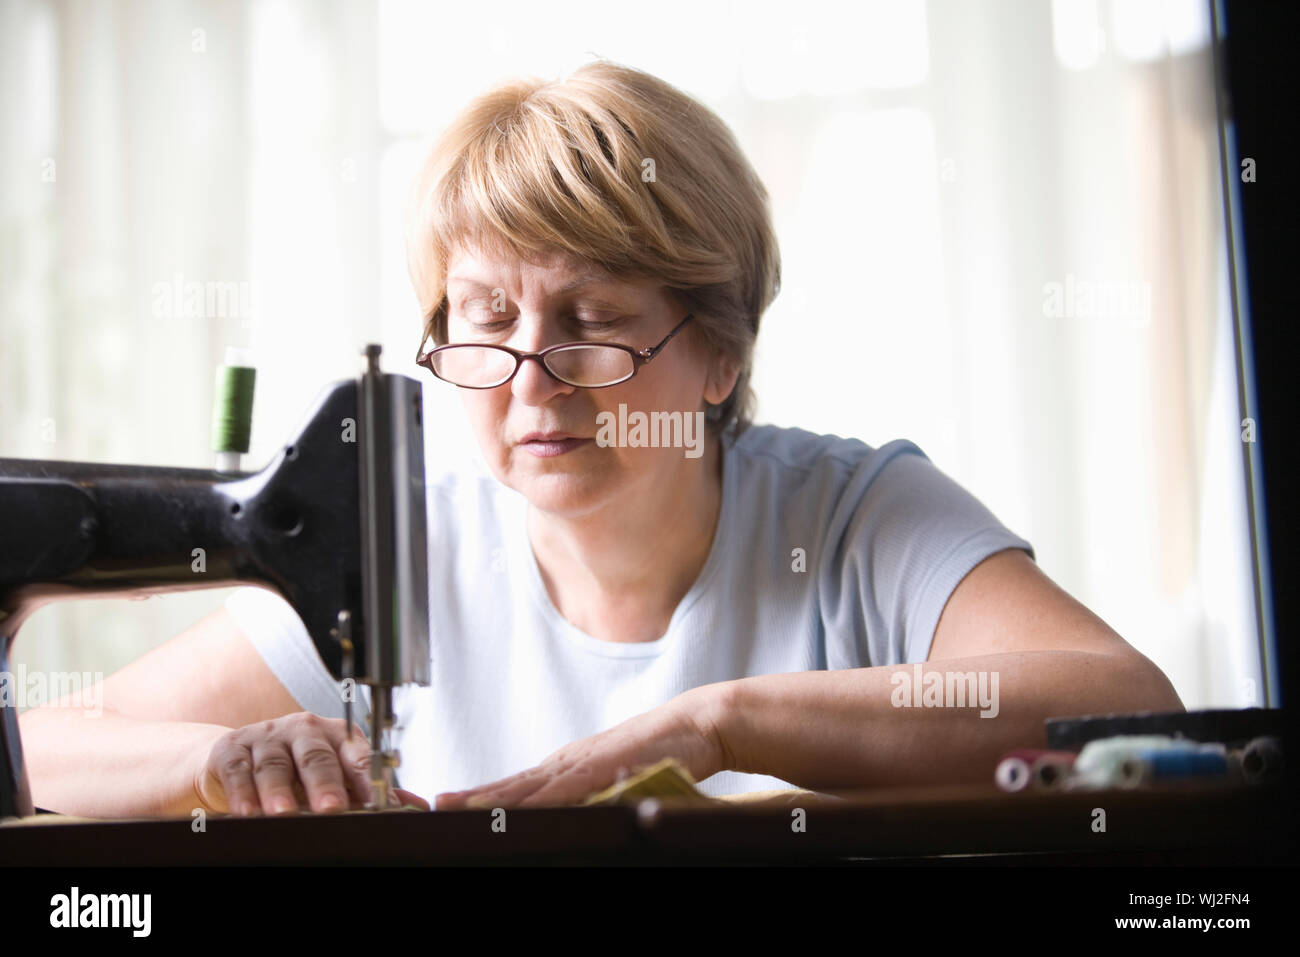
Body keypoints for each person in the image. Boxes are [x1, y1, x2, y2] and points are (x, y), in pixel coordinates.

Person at [18, 60, 1182, 819]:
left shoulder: (850, 517)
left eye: (595, 324)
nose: (534, 378)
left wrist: (717, 724)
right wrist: (217, 763)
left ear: (721, 356)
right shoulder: (410, 547)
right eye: (484, 321)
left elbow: (1125, 704)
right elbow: (53, 744)